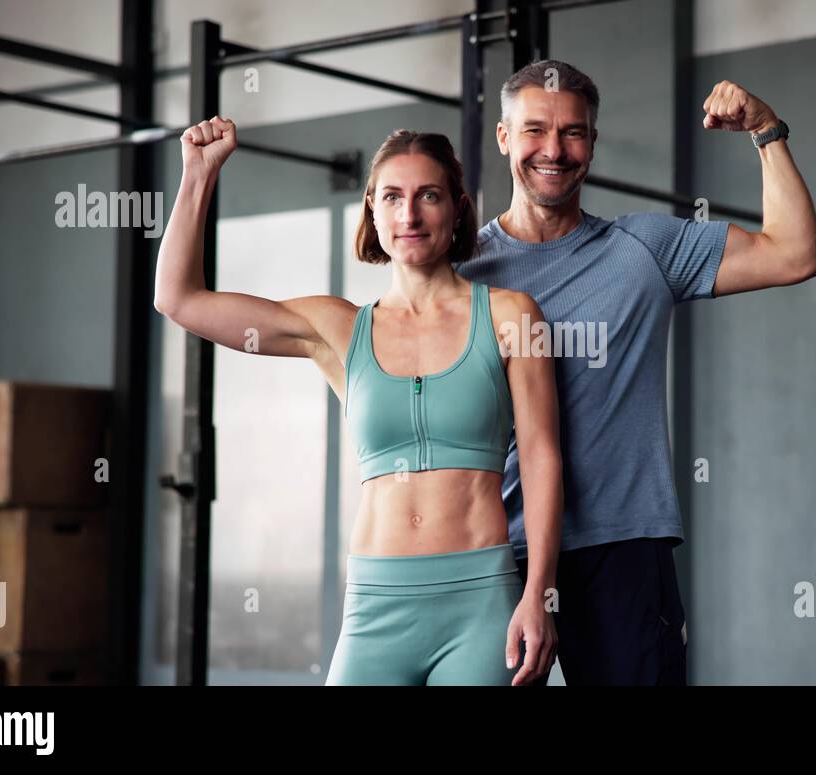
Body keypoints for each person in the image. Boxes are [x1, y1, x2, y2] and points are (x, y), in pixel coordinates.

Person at [154, 118, 562, 685]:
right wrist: (198, 176)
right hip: (375, 606)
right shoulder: (336, 328)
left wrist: (539, 593)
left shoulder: (512, 316)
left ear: (458, 208)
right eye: (392, 197)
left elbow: (542, 458)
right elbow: (179, 299)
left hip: (480, 600)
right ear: (371, 209)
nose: (409, 215)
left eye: (428, 196)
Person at [453, 60, 816, 685]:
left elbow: (795, 253)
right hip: (498, 551)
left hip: (624, 547)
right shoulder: (464, 272)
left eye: (573, 132)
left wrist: (766, 130)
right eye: (535, 130)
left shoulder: (644, 249)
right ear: (503, 137)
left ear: (592, 143)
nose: (554, 150)